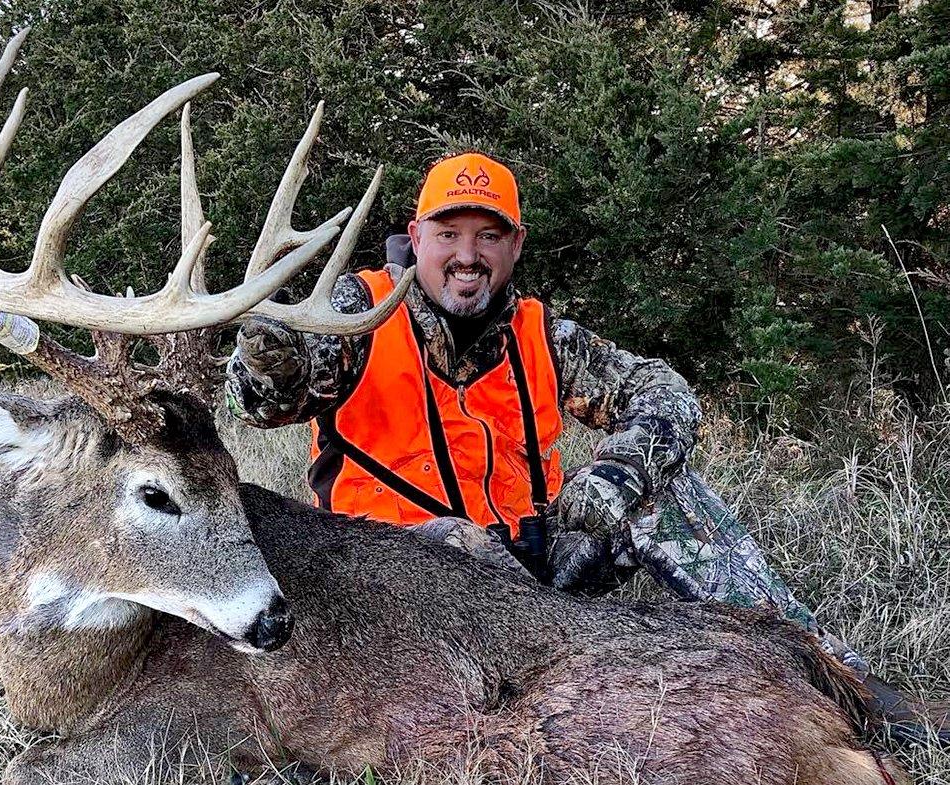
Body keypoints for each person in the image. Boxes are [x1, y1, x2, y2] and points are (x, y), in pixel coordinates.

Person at [225, 151, 946, 740]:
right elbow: (275, 397)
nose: (467, 256)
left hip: (529, 577)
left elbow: (666, 393)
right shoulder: (358, 310)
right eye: (448, 234)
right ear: (417, 239)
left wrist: (613, 479)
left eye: (488, 236)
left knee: (665, 494)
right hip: (398, 586)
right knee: (449, 544)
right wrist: (270, 356)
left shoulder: (542, 335)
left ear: (516, 245)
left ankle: (849, 686)